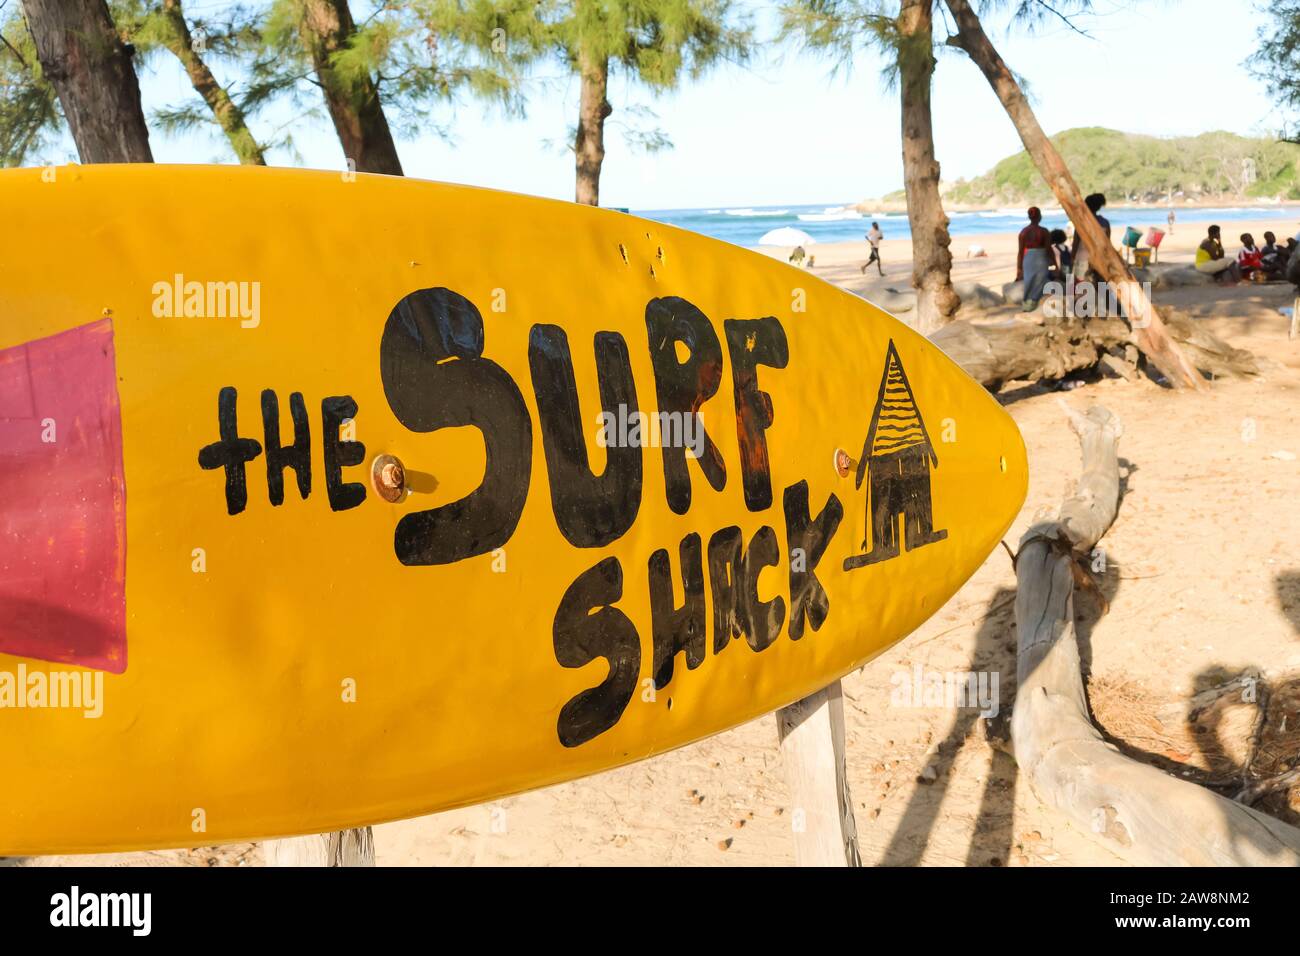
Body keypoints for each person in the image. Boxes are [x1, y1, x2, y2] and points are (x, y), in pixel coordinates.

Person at [1016, 206, 1051, 311]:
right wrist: (1055, 265)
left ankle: (1027, 304)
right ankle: (1034, 303)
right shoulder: (1044, 231)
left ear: (1029, 217)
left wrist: (1019, 268)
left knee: (1029, 280)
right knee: (1040, 281)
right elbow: (1049, 249)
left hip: (1028, 258)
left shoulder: (1023, 232)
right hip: (1041, 257)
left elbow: (1020, 251)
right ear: (1040, 216)